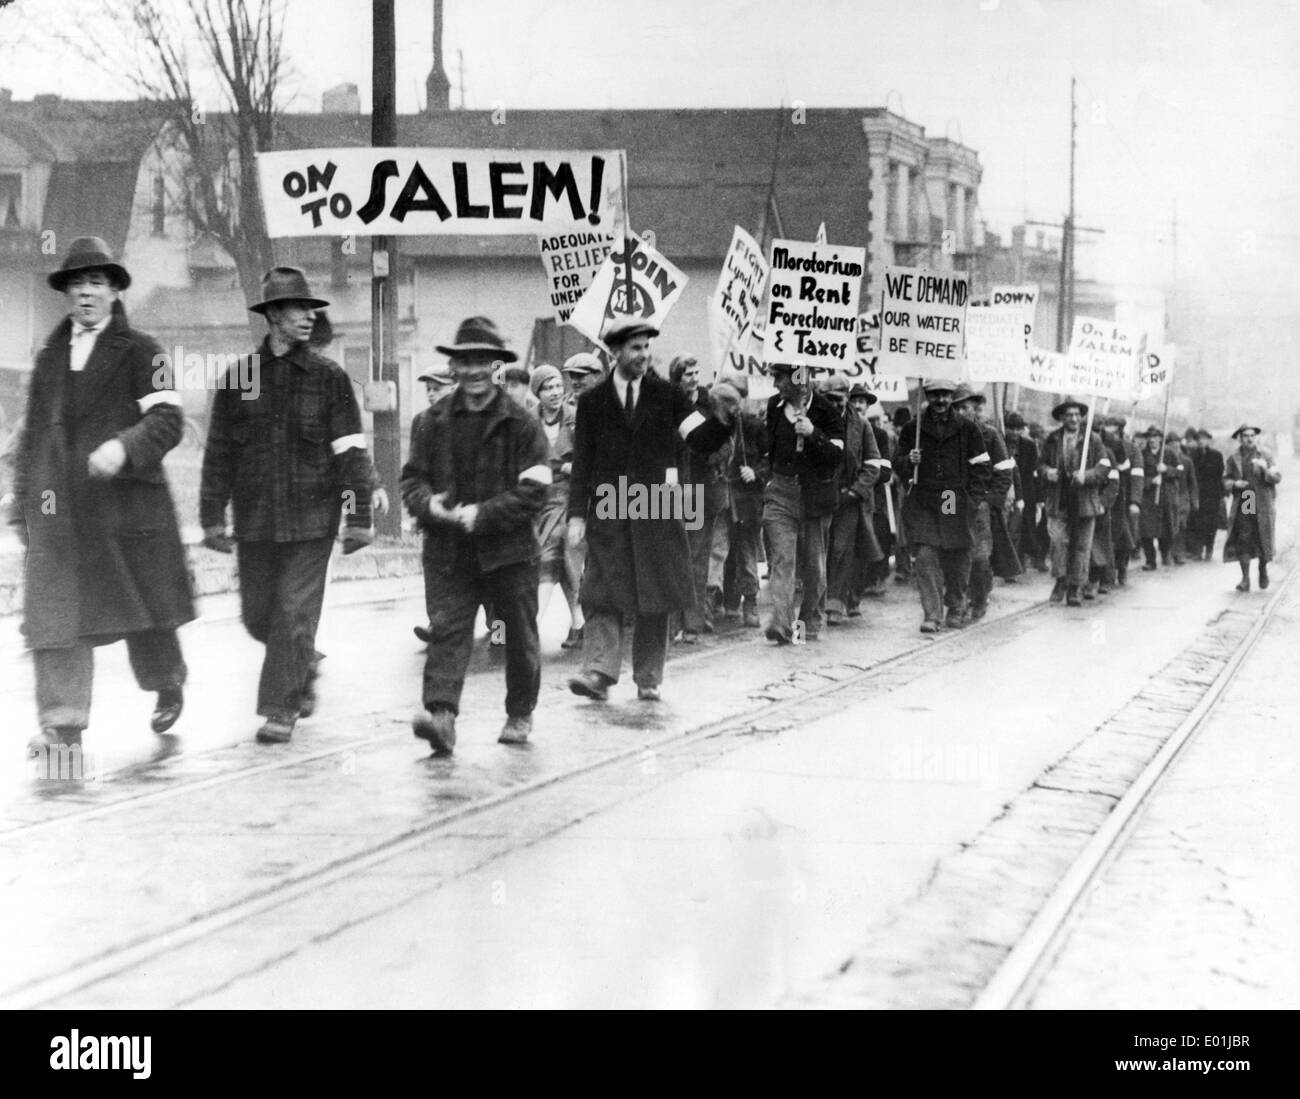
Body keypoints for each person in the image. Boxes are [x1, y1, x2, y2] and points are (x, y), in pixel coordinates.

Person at [7, 236, 194, 758]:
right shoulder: (47, 357)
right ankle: (62, 725)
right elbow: (34, 438)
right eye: (77, 284)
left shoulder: (145, 352)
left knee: (146, 613)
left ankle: (167, 680)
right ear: (66, 293)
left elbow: (169, 419)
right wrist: (24, 501)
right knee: (56, 611)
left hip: (128, 508)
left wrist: (123, 446)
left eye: (96, 282)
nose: (86, 293)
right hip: (59, 510)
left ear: (114, 290)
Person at [200, 267, 375, 744]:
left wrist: (358, 517)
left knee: (293, 615)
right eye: (299, 309)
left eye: (310, 309)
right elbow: (219, 452)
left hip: (312, 521)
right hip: (256, 521)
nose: (308, 317)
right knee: (258, 617)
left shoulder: (329, 378)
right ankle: (303, 662)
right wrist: (212, 517)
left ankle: (281, 707)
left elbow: (351, 452)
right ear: (274, 315)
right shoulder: (240, 379)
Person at [399, 317, 549, 752]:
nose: (473, 371)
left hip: (511, 552)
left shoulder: (523, 425)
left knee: (518, 635)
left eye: (482, 362)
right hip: (451, 552)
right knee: (447, 632)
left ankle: (520, 712)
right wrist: (429, 504)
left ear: (497, 366)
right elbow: (412, 481)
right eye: (464, 363)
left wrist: (481, 515)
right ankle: (442, 717)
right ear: (453, 368)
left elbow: (534, 491)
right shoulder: (430, 422)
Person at [566, 320, 737, 702]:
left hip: (657, 507)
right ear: (615, 353)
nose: (643, 355)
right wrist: (577, 514)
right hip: (609, 506)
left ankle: (648, 676)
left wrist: (724, 419)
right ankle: (598, 671)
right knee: (601, 590)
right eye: (635, 348)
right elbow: (582, 462)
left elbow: (700, 438)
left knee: (654, 592)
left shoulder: (669, 396)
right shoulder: (593, 403)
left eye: (646, 347)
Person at [892, 379, 991, 633]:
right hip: (923, 501)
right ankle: (932, 614)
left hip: (953, 500)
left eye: (946, 395)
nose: (941, 400)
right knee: (925, 555)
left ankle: (956, 605)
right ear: (927, 395)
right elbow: (897, 463)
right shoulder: (913, 429)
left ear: (951, 397)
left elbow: (981, 467)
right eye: (935, 395)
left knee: (956, 555)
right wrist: (907, 460)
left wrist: (972, 500)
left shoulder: (967, 429)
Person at [760, 363, 845, 644]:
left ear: (798, 377)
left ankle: (807, 623)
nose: (775, 385)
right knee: (782, 560)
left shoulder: (827, 411)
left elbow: (836, 457)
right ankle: (782, 625)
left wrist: (813, 435)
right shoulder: (774, 407)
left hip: (815, 496)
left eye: (780, 378)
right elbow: (769, 449)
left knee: (814, 567)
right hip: (781, 493)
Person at [669, 353, 730, 642]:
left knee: (696, 557)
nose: (693, 379)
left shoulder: (711, 403)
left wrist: (709, 454)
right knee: (670, 554)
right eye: (687, 374)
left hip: (702, 488)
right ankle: (670, 623)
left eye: (696, 372)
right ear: (677, 378)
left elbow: (726, 443)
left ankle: (692, 624)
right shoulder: (668, 403)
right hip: (670, 489)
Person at [953, 386, 1020, 618]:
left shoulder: (990, 435)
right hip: (951, 503)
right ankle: (957, 603)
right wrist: (943, 507)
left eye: (966, 407)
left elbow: (1004, 473)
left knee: (980, 557)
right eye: (957, 407)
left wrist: (989, 501)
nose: (962, 412)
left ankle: (979, 598)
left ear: (975, 409)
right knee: (953, 554)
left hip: (979, 506)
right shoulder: (944, 435)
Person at [820, 374, 882, 626]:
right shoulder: (815, 421)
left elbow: (873, 464)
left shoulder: (862, 425)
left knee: (841, 550)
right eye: (829, 399)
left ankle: (835, 602)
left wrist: (855, 492)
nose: (835, 404)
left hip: (849, 499)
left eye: (840, 399)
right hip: (821, 496)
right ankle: (818, 598)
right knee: (818, 548)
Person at [1036, 397, 1110, 607]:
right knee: (1058, 542)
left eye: (1078, 415)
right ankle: (1061, 581)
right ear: (1061, 417)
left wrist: (1086, 476)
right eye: (1069, 415)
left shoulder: (1092, 440)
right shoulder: (1052, 439)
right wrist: (1047, 472)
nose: (1074, 419)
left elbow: (1104, 467)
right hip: (1059, 499)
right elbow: (1040, 464)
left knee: (1081, 547)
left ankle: (1076, 587)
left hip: (1084, 501)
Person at [530, 363, 584, 649]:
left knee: (551, 549)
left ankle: (532, 623)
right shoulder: (528, 421)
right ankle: (578, 623)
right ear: (537, 392)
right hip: (536, 497)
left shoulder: (575, 419)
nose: (554, 393)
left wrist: (574, 466)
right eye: (547, 388)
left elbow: (590, 454)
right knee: (565, 561)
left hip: (569, 497)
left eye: (558, 387)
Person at [708, 369, 767, 628]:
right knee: (716, 550)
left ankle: (750, 601)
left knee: (746, 554)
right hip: (719, 498)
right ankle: (709, 601)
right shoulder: (709, 427)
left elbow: (772, 459)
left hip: (746, 500)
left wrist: (756, 472)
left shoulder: (753, 427)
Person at [850, 384, 895, 603]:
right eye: (854, 401)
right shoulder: (840, 428)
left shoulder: (880, 435)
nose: (858, 405)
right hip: (847, 495)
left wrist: (865, 477)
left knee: (875, 537)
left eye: (862, 402)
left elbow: (885, 471)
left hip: (873, 498)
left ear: (868, 406)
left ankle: (870, 581)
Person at [1222, 425, 1281, 591]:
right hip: (1246, 500)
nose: (1249, 438)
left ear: (1256, 438)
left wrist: (1265, 469)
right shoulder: (1234, 458)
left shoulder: (1266, 455)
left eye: (1252, 435)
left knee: (1263, 539)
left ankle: (1262, 569)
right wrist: (1234, 484)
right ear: (1240, 438)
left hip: (1262, 500)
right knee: (1244, 539)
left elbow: (1277, 477)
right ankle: (1245, 579)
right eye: (1245, 436)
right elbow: (1225, 480)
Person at [1004, 411, 1045, 572]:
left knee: (1021, 528)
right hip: (1004, 489)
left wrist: (1039, 498)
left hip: (1026, 492)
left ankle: (1016, 563)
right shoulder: (999, 441)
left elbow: (1035, 473)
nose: (1014, 432)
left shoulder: (1029, 446)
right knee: (1006, 528)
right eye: (1011, 428)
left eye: (1018, 429)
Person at [1187, 428, 1228, 560]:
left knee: (1211, 524)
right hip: (1198, 494)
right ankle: (1198, 551)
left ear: (1208, 440)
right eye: (1199, 439)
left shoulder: (1216, 455)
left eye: (1203, 439)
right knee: (1197, 523)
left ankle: (1209, 549)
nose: (1201, 441)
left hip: (1213, 495)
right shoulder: (1193, 456)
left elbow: (1220, 475)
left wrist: (1223, 494)